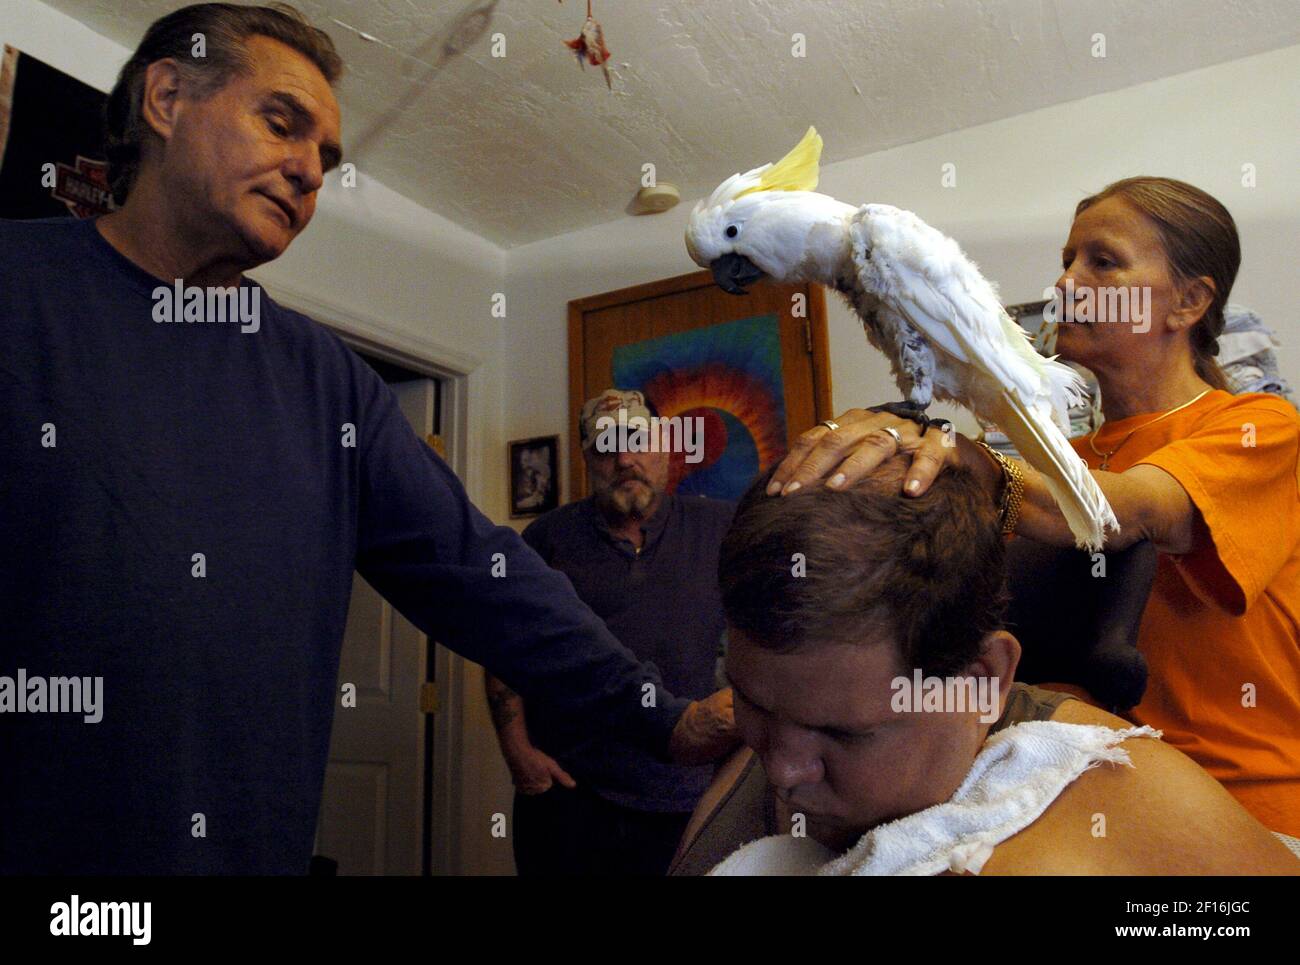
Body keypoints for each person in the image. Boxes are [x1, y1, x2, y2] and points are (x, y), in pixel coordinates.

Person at [0, 3, 732, 875]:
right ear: (165, 97)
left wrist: (664, 715)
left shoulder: (326, 382)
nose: (309, 171)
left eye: (326, 159)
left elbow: (482, 572)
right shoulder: (17, 294)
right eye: (281, 124)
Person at [766, 177, 1300, 836]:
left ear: (1187, 301)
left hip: (1248, 810)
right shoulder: (1060, 455)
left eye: (1102, 262)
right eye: (1066, 262)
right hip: (1097, 783)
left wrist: (973, 460)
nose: (1066, 284)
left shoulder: (1262, 429)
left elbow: (1127, 510)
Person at [671, 461, 1298, 875]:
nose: (781, 769)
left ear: (978, 683)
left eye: (842, 734)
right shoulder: (762, 757)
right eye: (751, 701)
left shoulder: (1121, 796)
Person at [486, 389, 736, 875]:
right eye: (605, 446)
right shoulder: (546, 539)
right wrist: (517, 752)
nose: (624, 458)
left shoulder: (720, 527)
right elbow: (505, 645)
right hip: (571, 800)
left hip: (691, 797)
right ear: (586, 459)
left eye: (636, 439)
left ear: (663, 446)